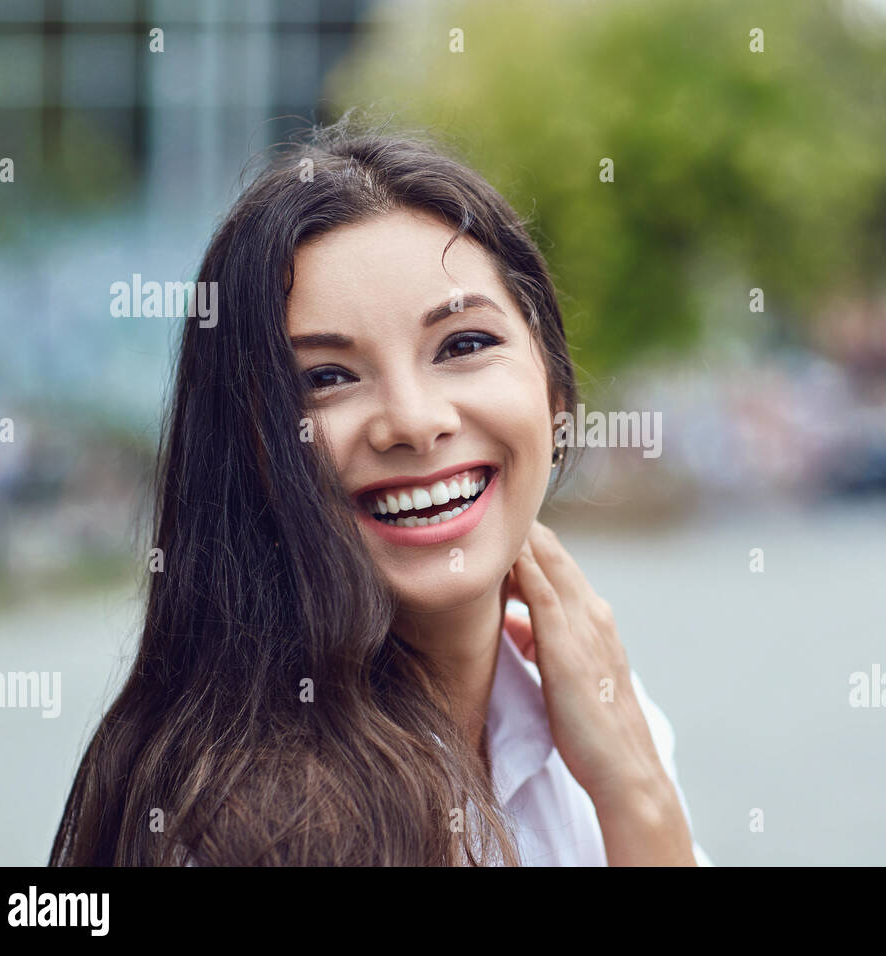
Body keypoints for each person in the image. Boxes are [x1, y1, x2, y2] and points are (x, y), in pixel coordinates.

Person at [50, 120, 712, 866]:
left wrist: (637, 795)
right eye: (326, 378)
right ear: (250, 449)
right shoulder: (239, 833)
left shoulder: (611, 726)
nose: (413, 422)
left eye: (464, 345)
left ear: (555, 390)